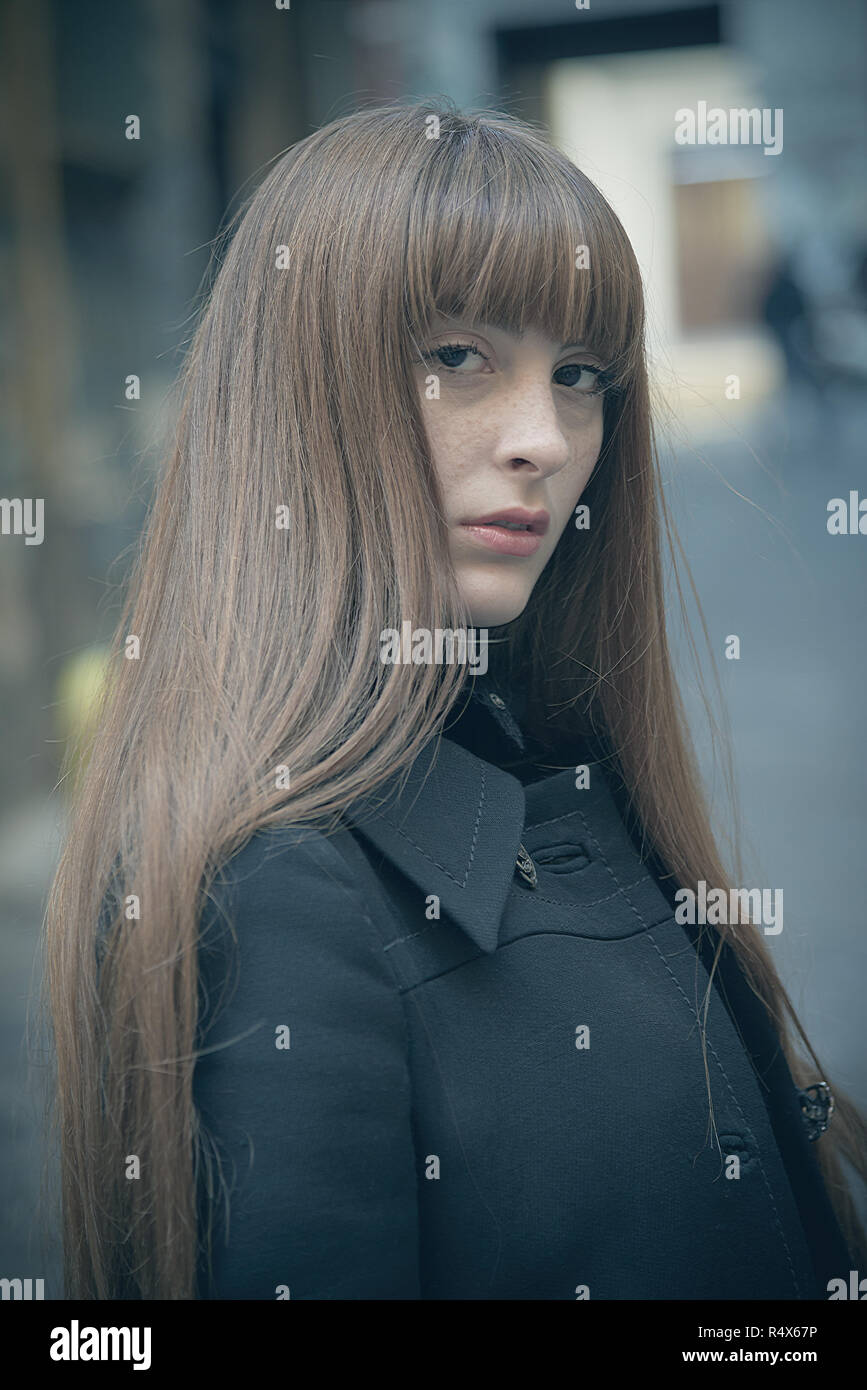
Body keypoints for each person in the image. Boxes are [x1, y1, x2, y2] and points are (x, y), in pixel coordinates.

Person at [42, 100, 866, 1300]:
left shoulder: (576, 772)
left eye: (580, 375)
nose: (543, 435)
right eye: (457, 356)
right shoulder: (279, 890)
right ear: (297, 393)